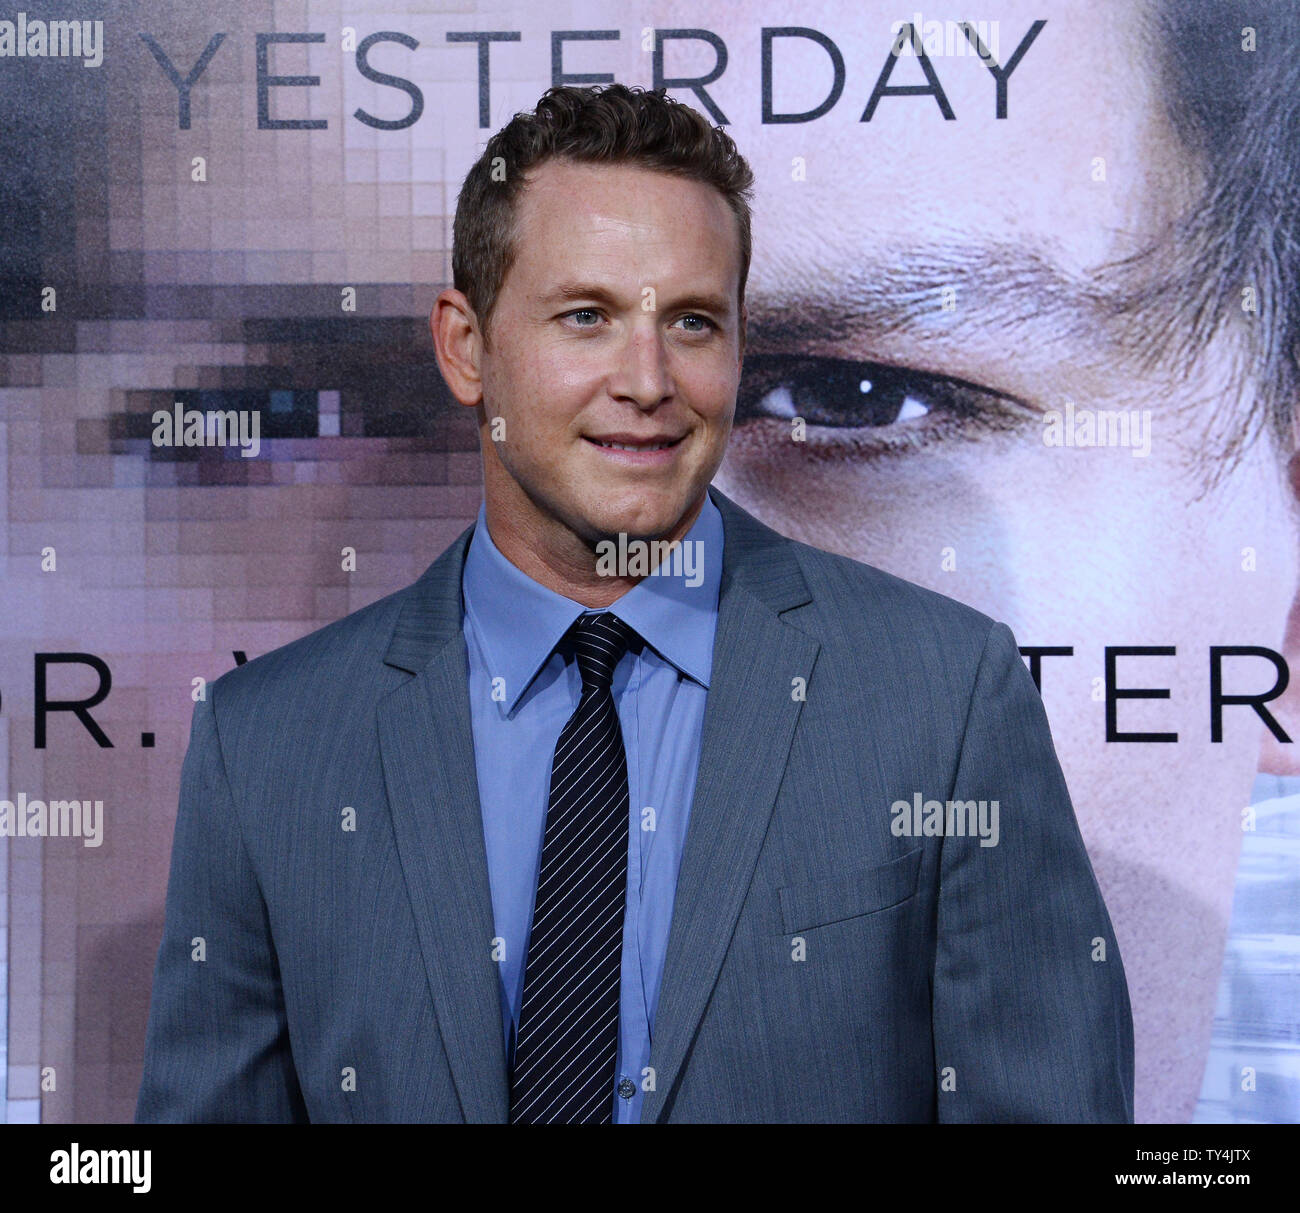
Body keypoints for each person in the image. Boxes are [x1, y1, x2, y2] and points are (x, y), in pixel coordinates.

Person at [135, 82, 1132, 1123]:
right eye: (586, 317)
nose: (647, 379)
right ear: (466, 349)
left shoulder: (941, 696)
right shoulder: (271, 745)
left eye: (693, 323)